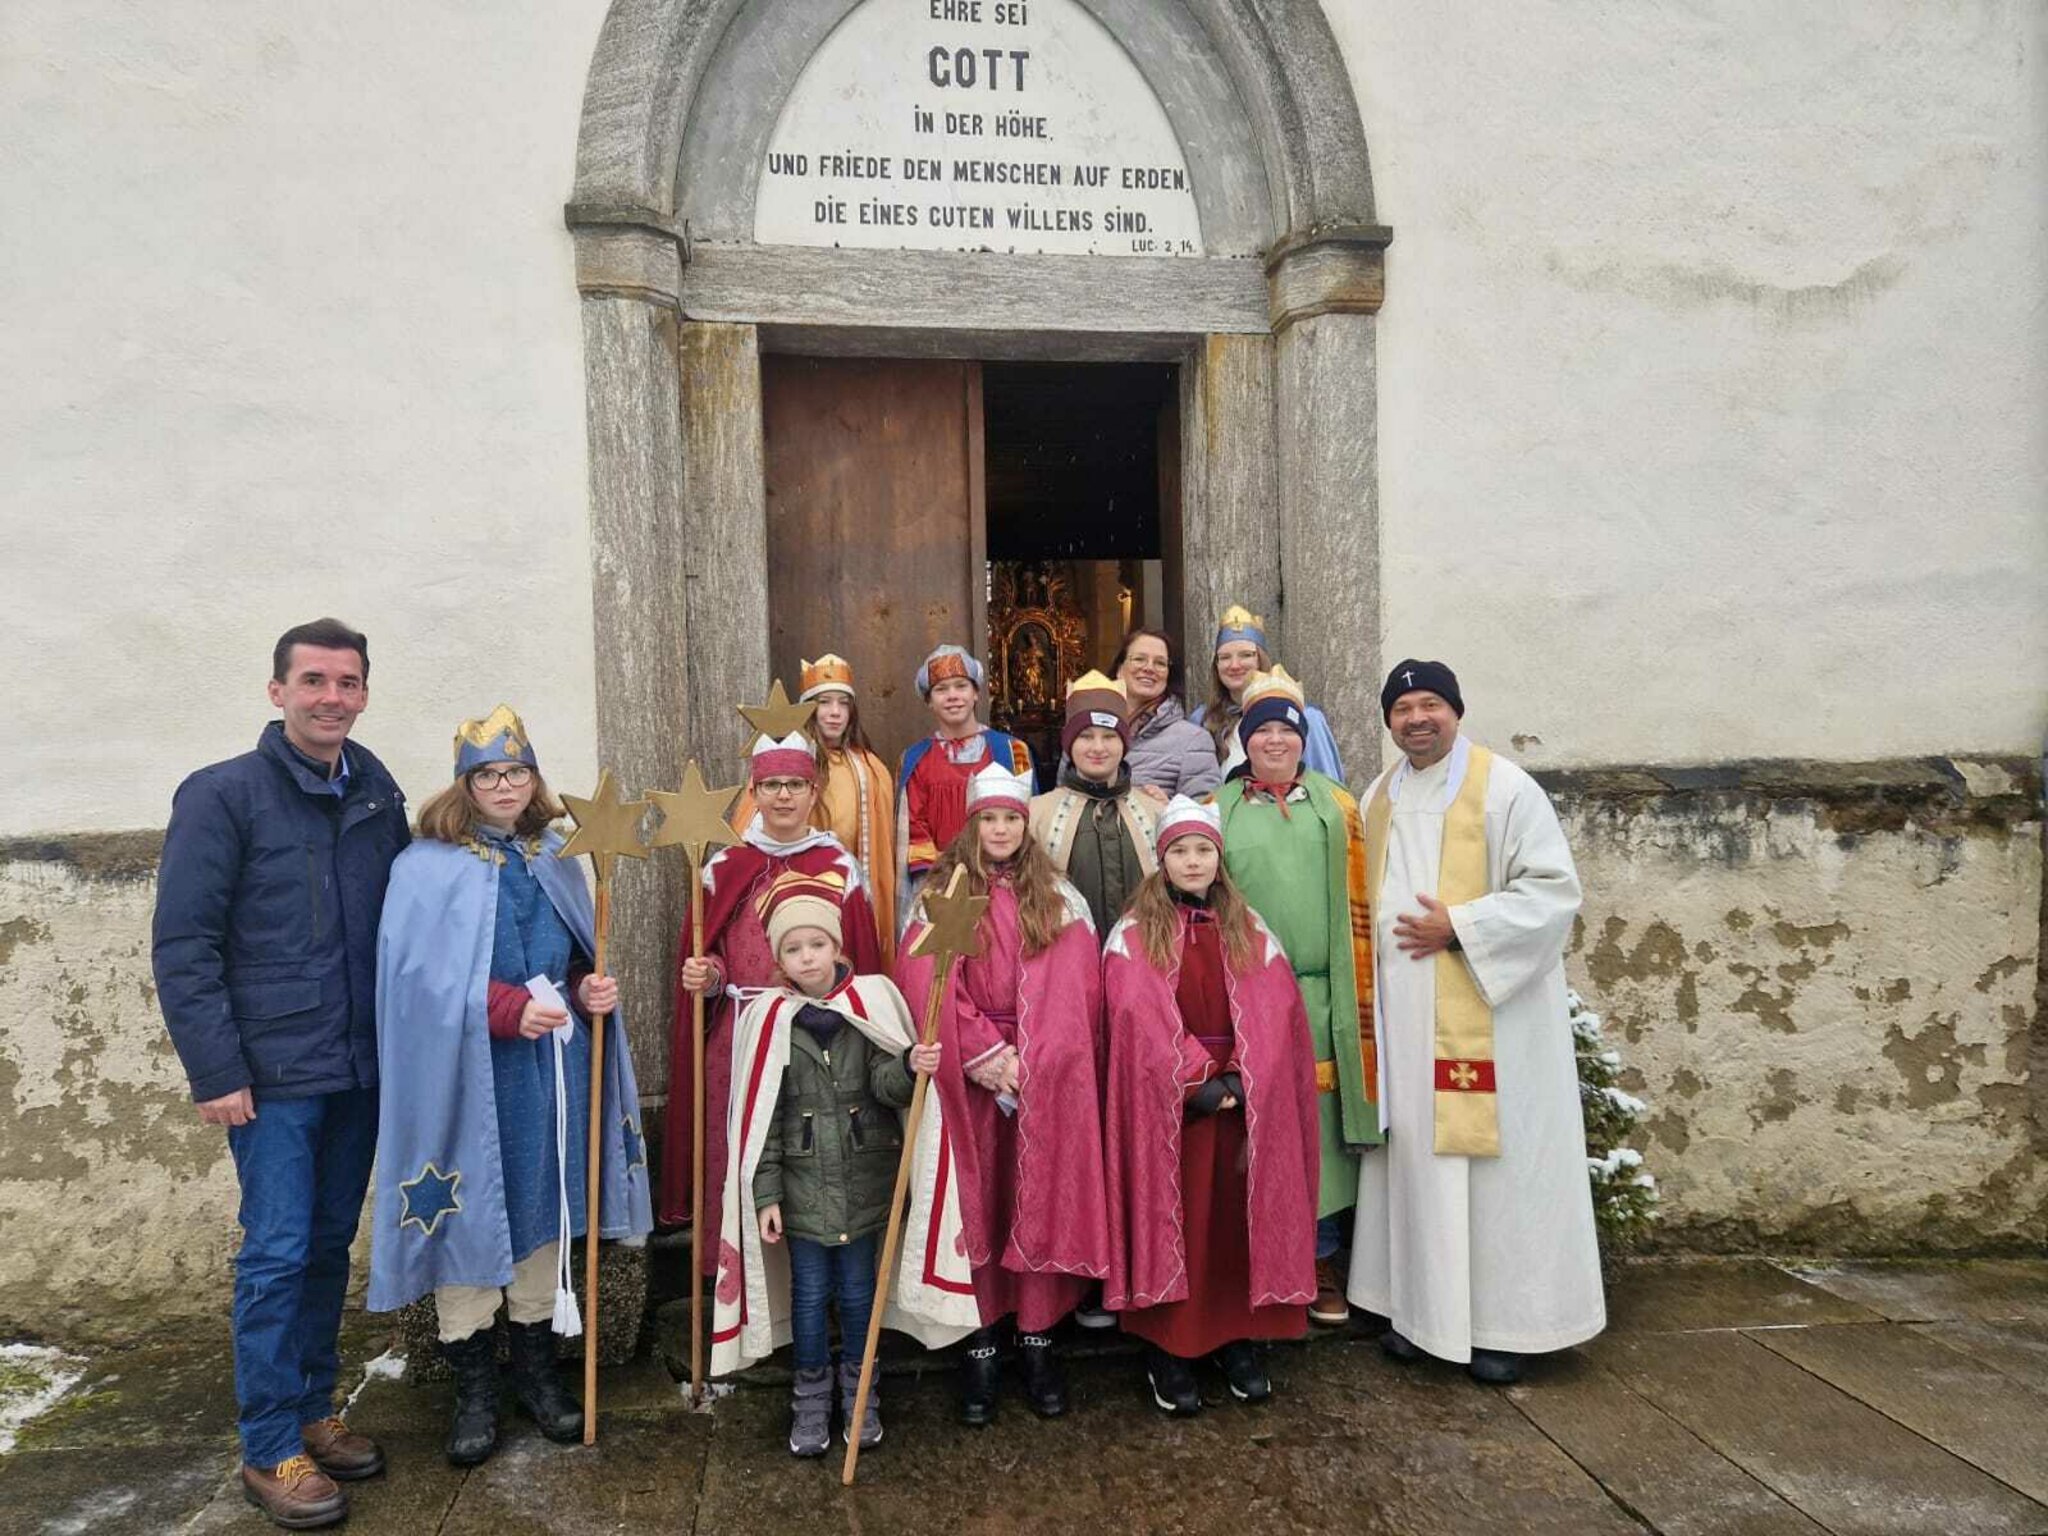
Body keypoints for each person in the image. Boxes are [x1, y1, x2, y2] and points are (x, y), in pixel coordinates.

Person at [152, 618, 409, 1530]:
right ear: (278, 692)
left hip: (358, 1067)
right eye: (313, 682)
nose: (330, 698)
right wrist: (216, 1069)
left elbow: (402, 925)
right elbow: (185, 944)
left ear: (365, 693)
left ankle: (310, 1409)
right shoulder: (223, 796)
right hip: (271, 1075)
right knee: (274, 1253)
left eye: (347, 683)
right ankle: (268, 1445)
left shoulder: (377, 789)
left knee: (327, 1246)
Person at [367, 707, 653, 1465]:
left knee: (543, 1206)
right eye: (488, 774)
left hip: (553, 1067)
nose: (503, 785)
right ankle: (475, 1392)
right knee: (471, 1212)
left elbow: (572, 957)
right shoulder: (426, 866)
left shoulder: (558, 850)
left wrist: (588, 990)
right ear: (466, 783)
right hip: (470, 1073)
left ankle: (536, 1376)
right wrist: (503, 1009)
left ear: (534, 780)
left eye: (515, 772)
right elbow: (415, 984)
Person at [1346, 661, 1604, 1384]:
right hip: (1403, 1020)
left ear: (1456, 711)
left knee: (1496, 1174)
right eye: (1402, 708)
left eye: (1431, 704)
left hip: (1491, 1020)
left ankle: (1507, 1327)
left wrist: (1458, 926)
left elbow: (1553, 892)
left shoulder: (1506, 788)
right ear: (1389, 721)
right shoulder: (1379, 794)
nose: (1417, 718)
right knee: (1415, 1167)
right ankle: (1417, 1312)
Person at [712, 872, 974, 1456]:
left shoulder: (873, 1002)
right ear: (780, 958)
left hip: (866, 1184)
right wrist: (766, 1195)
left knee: (858, 1295)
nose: (808, 957)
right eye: (793, 948)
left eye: (817, 944)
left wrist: (909, 1063)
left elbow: (887, 1087)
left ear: (837, 947)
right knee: (809, 1298)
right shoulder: (769, 1020)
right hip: (802, 1194)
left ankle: (860, 1394)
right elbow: (763, 1123)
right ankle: (810, 1399)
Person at [894, 764, 1108, 1426]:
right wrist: (984, 1053)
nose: (1000, 829)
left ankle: (1039, 1336)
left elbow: (1079, 987)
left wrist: (1037, 1059)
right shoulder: (943, 891)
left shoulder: (1061, 896)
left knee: (1036, 1197)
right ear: (972, 824)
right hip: (973, 1076)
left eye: (1011, 818)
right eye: (988, 818)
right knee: (978, 1203)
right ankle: (981, 1338)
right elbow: (922, 976)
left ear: (1026, 825)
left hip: (1043, 1071)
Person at [1103, 798, 1319, 1414]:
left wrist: (1247, 1078)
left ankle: (1235, 1339)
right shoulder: (1134, 933)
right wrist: (1194, 1078)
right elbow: (1134, 1012)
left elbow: (1277, 1009)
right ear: (1161, 860)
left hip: (1242, 1096)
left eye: (1202, 850)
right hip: (1175, 1107)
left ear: (1218, 859)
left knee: (1232, 1225)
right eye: (1179, 851)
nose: (1192, 861)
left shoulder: (1247, 925)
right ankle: (1169, 1347)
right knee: (1180, 1222)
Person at [662, 731, 885, 1270]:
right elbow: (711, 953)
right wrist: (706, 975)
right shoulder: (726, 866)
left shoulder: (839, 866)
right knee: (741, 1153)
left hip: (819, 1037)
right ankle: (735, 1286)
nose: (783, 796)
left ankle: (817, 1292)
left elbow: (862, 960)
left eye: (794, 784)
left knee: (816, 1157)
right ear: (753, 792)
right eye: (770, 785)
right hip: (741, 1034)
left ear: (813, 791)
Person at [1213, 667, 1377, 1327]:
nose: (1276, 741)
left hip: (1324, 989)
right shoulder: (1215, 808)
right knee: (1253, 1126)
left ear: (1303, 739)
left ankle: (1320, 1258)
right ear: (1245, 742)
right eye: (1263, 731)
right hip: (1246, 991)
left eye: (1287, 730)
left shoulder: (1337, 807)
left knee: (1325, 1136)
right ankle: (1254, 1256)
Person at [729, 655, 899, 959]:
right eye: (824, 702)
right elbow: (750, 832)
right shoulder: (785, 765)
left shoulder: (872, 771)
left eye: (843, 703)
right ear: (808, 708)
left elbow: (882, 858)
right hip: (789, 893)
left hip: (843, 890)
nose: (835, 713)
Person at [895, 644, 1035, 918]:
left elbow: (1029, 816)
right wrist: (945, 880)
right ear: (929, 701)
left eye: (961, 686)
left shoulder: (1015, 751)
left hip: (1005, 883)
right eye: (941, 689)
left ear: (976, 694)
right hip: (941, 887)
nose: (953, 696)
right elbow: (914, 828)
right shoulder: (913, 759)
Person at [1028, 669, 1160, 939]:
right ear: (1069, 744)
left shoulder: (1155, 811)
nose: (1098, 748)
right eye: (1086, 736)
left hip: (1141, 961)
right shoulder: (1037, 815)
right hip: (1068, 961)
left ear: (1123, 743)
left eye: (1109, 736)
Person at [1192, 605, 1346, 783]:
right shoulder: (1203, 720)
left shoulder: (1305, 716)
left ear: (1260, 659)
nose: (1234, 665)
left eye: (1245, 655)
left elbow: (1328, 789)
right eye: (1225, 657)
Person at [1109, 627, 1221, 803]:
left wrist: (1169, 810)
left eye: (1160, 663)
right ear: (1119, 669)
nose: (1149, 668)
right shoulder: (1086, 731)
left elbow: (1207, 814)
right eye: (1139, 659)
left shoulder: (1194, 740)